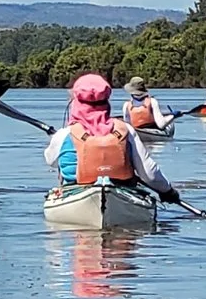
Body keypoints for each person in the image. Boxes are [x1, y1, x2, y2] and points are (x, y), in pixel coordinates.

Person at [44, 73, 181, 204]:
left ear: (75, 102)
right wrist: (168, 191)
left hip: (75, 195)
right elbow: (149, 173)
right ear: (106, 102)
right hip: (122, 192)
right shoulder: (126, 130)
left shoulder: (63, 134)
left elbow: (51, 161)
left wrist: (55, 139)